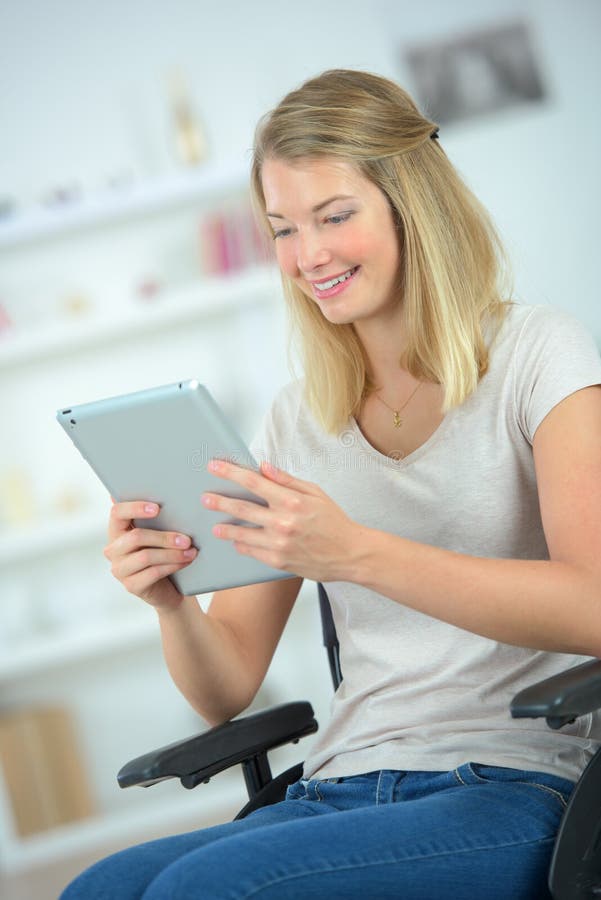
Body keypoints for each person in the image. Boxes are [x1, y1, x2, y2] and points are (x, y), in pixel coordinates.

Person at [61, 68, 601, 899]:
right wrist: (170, 603)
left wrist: (354, 553)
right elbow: (226, 686)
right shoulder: (298, 420)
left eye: (333, 216)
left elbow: (591, 605)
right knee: (100, 888)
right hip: (342, 782)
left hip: (516, 782)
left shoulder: (539, 355)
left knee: (201, 891)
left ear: (409, 206)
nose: (306, 256)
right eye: (282, 228)